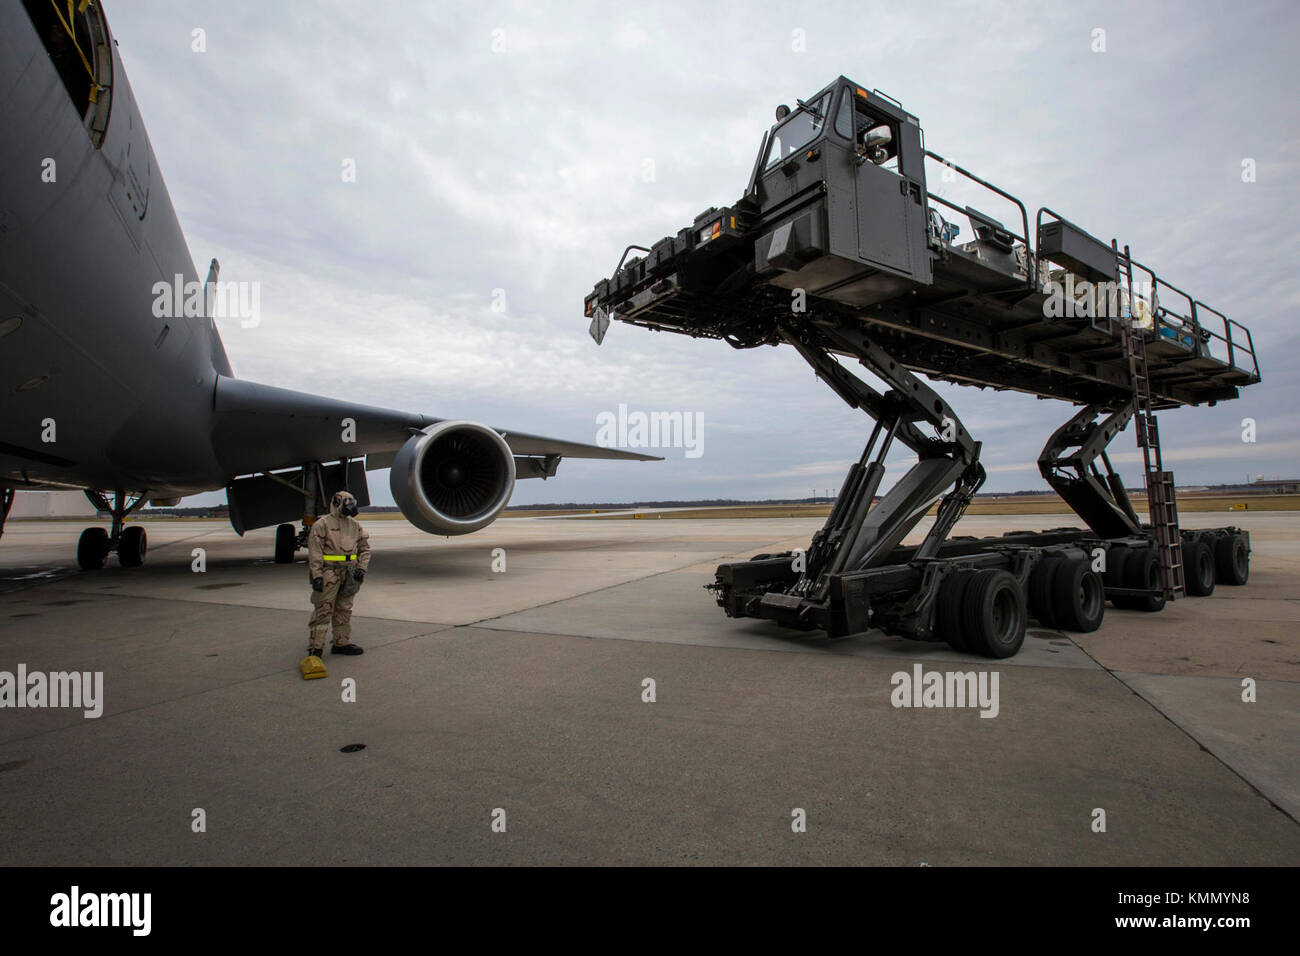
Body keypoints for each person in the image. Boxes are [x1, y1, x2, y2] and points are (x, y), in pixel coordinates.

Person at [306, 490, 370, 658]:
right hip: (329, 573)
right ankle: (315, 648)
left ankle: (341, 642)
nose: (351, 507)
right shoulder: (322, 524)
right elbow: (315, 552)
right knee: (323, 609)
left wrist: (362, 568)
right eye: (347, 503)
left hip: (349, 573)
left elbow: (365, 549)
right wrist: (317, 575)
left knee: (344, 609)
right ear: (336, 503)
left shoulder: (355, 526)